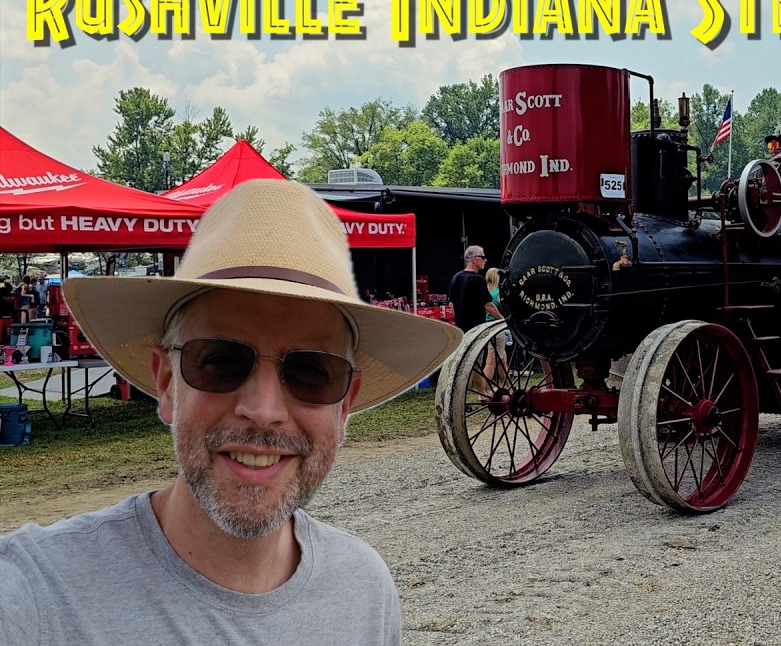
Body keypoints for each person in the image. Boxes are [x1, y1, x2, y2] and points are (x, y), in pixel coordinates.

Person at [0, 180, 462, 645]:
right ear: (165, 382)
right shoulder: (33, 596)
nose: (262, 411)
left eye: (311, 371)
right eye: (221, 362)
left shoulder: (363, 589)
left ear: (345, 403)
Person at [448, 245, 501, 333]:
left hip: (461, 330)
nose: (485, 260)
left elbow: (451, 305)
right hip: (476, 331)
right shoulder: (478, 279)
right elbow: (488, 306)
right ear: (474, 259)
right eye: (483, 257)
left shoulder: (456, 277)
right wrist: (502, 320)